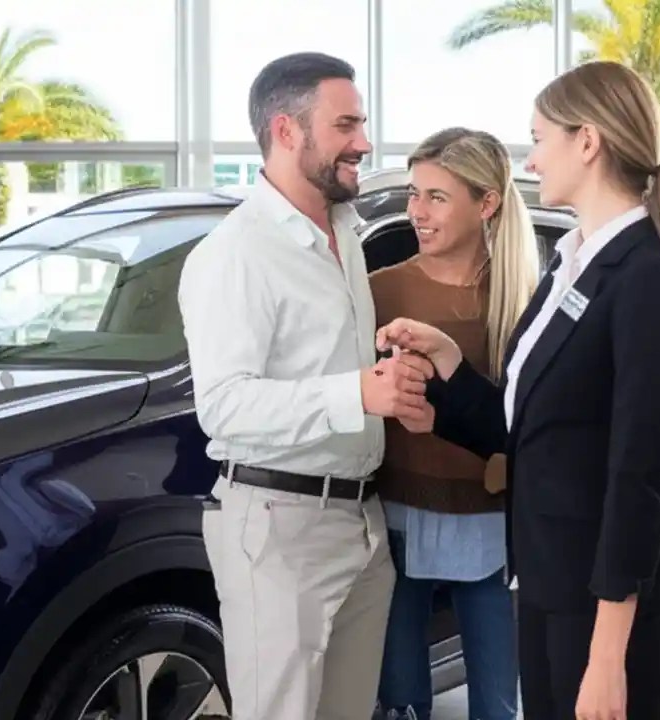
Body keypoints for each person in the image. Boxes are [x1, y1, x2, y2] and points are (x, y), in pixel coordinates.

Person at [377, 60, 660, 720]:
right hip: (545, 582)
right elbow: (522, 426)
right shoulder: (572, 264)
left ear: (588, 142)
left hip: (599, 608)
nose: (530, 157)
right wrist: (446, 370)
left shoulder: (646, 278)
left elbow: (634, 478)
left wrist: (607, 660)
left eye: (539, 137)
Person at [178, 51, 434, 720]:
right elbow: (224, 405)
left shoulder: (345, 233)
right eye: (346, 124)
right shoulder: (233, 254)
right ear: (287, 130)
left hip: (361, 525)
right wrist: (356, 394)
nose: (365, 143)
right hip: (279, 532)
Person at [370, 127, 539, 720]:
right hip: (393, 518)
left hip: (490, 523)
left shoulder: (526, 298)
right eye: (414, 194)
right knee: (401, 699)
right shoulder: (379, 293)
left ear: (486, 202)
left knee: (498, 704)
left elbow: (530, 421)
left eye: (436, 197)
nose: (416, 211)